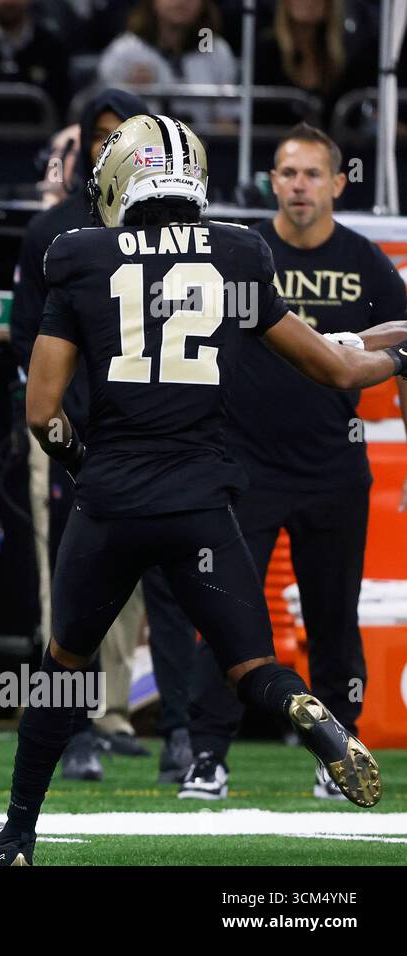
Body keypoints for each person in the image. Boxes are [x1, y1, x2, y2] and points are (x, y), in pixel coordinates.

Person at [0, 113, 394, 866]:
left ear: (119, 180)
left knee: (63, 669)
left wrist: (80, 466)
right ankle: (313, 713)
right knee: (252, 667)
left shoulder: (78, 255)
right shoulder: (236, 252)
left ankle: (16, 833)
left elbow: (41, 411)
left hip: (110, 501)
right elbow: (337, 370)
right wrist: (400, 358)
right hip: (201, 503)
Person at [181, 123, 407, 802]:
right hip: (244, 465)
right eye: (287, 173)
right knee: (224, 612)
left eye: (312, 173)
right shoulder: (244, 251)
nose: (299, 185)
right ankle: (206, 757)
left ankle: (338, 757)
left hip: (334, 470)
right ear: (271, 182)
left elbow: (405, 341)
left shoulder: (367, 260)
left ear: (339, 183)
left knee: (334, 620)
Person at [9, 87, 200, 784]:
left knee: (171, 587)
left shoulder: (183, 234)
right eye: (100, 135)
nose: (109, 146)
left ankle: (174, 728)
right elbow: (28, 349)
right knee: (70, 592)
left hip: (163, 435)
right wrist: (61, 438)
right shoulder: (54, 234)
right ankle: (75, 729)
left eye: (124, 135)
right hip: (76, 431)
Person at [97, 0, 238, 129]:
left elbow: (226, 124)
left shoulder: (216, 51)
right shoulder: (124, 51)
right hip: (140, 150)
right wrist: (133, 93)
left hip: (205, 149)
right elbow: (108, 123)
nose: (182, 2)